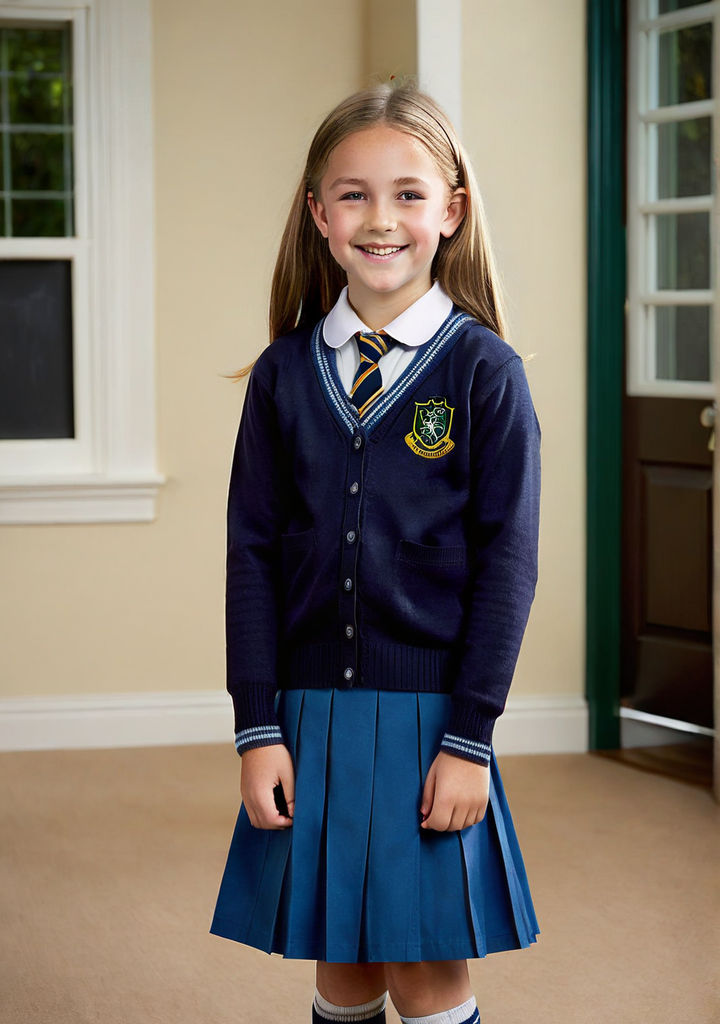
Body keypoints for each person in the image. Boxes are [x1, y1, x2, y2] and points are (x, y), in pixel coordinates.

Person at [210, 81, 541, 1024]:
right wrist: (257, 727)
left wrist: (470, 738)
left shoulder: (484, 373)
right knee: (343, 965)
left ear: (451, 211)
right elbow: (251, 557)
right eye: (353, 194)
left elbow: (508, 567)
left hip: (434, 718)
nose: (381, 219)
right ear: (320, 214)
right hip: (308, 712)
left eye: (408, 193)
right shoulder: (282, 376)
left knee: (424, 971)